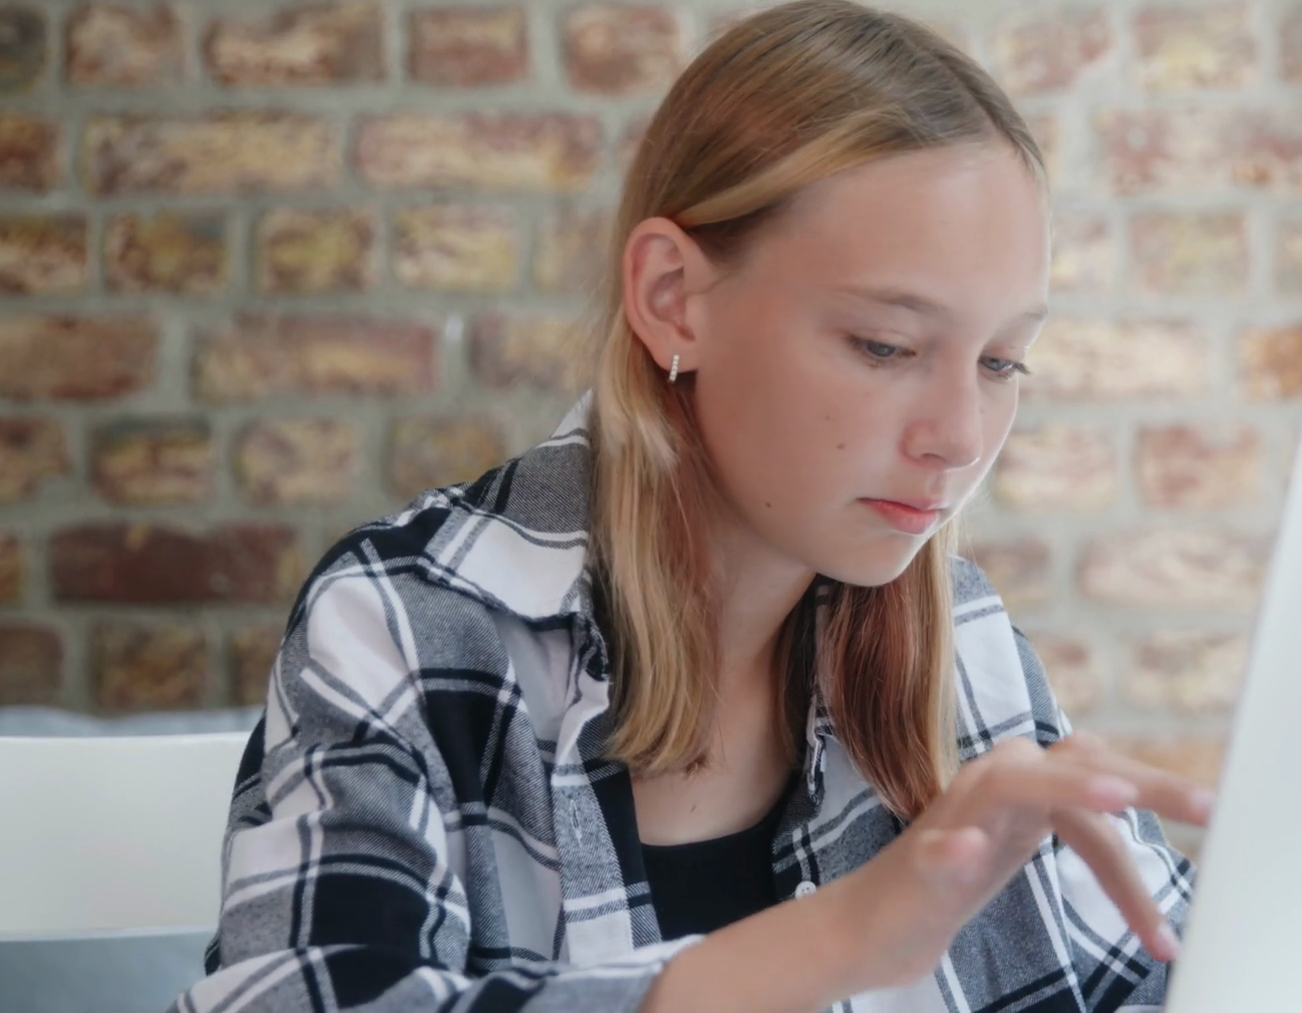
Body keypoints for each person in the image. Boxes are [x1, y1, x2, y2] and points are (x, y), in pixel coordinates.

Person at [170, 3, 1210, 1010]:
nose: (962, 433)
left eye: (1001, 359)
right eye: (886, 345)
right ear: (674, 296)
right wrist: (841, 939)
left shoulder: (966, 645)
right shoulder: (405, 622)